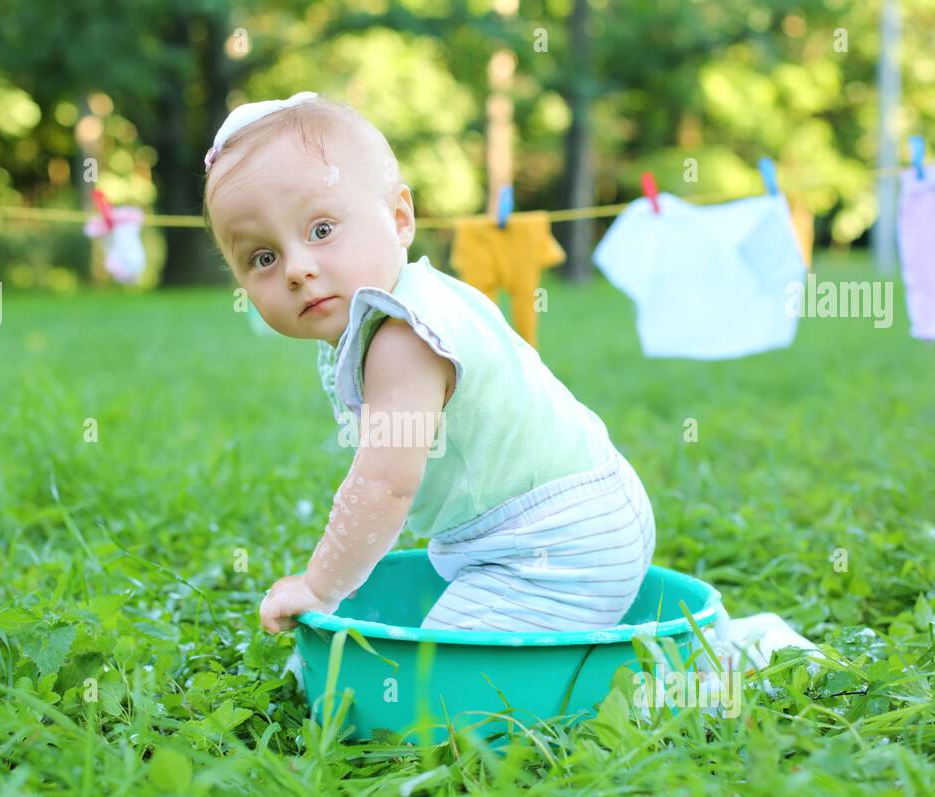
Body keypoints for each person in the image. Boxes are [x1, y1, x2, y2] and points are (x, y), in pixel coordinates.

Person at [201, 92, 655, 635]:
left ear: (398, 218)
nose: (297, 269)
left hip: (557, 541)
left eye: (321, 230)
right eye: (263, 258)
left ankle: (719, 660)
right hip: (562, 519)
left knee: (442, 685)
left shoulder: (403, 337)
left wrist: (319, 587)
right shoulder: (412, 298)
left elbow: (384, 485)